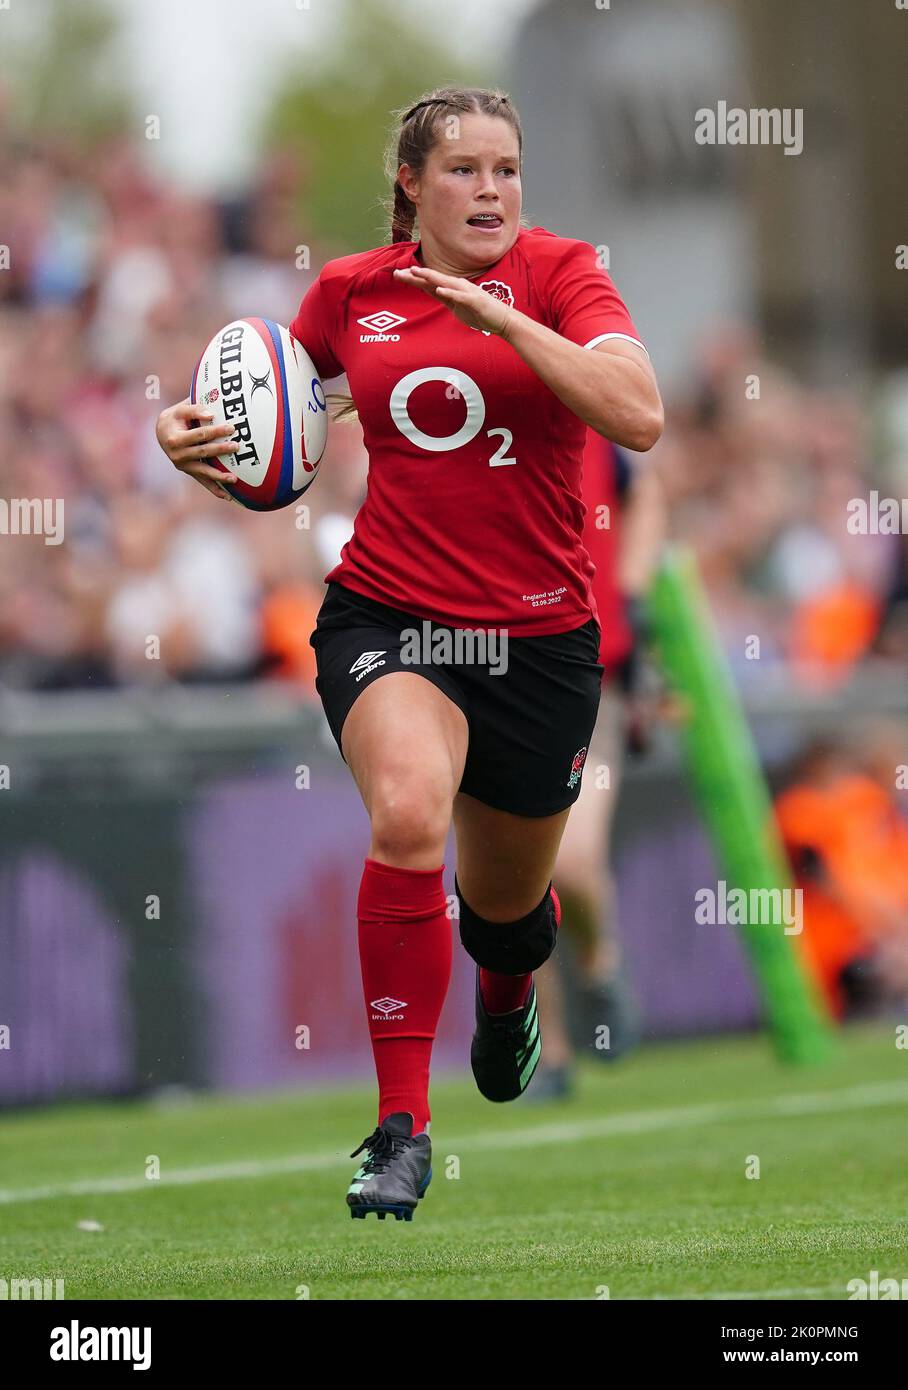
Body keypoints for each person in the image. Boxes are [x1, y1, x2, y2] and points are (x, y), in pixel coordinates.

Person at [155, 86, 663, 1221]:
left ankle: (505, 988)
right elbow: (268, 420)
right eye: (464, 171)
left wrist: (509, 325)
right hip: (390, 616)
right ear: (411, 186)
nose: (490, 191)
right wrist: (181, 437)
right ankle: (399, 1129)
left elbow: (636, 414)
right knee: (405, 813)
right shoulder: (348, 293)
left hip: (537, 638)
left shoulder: (562, 273)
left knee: (505, 912)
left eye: (506, 170)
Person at [530, 431, 665, 1099]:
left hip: (592, 675)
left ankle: (598, 956)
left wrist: (633, 594)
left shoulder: (583, 408)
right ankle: (549, 1052)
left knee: (569, 862)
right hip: (484, 672)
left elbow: (645, 494)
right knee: (510, 878)